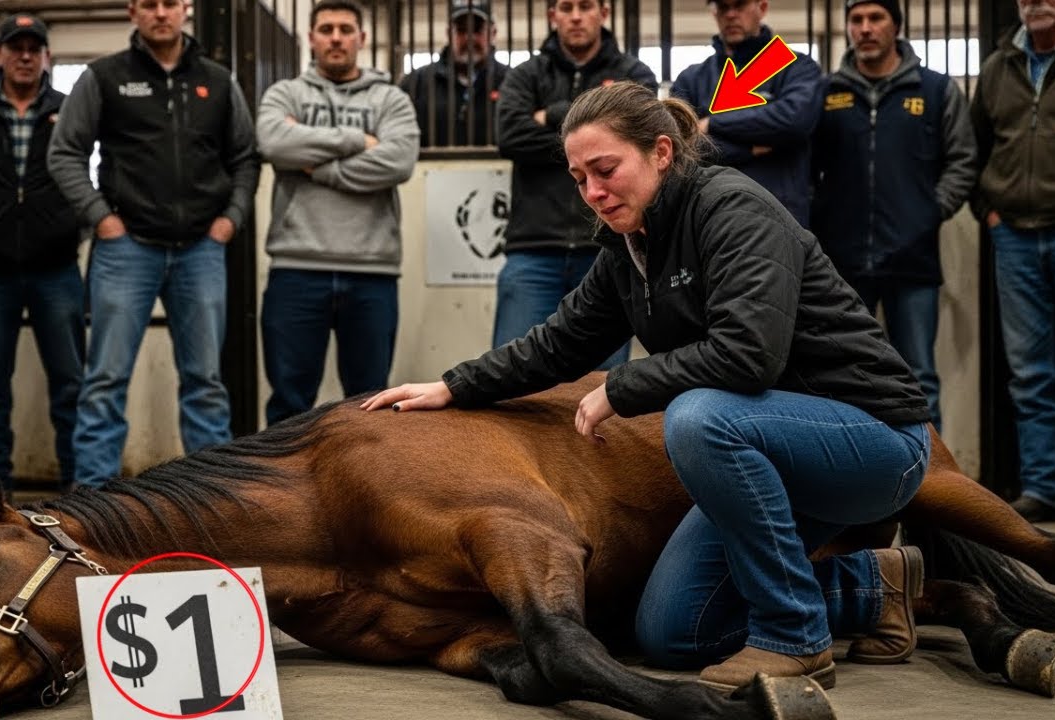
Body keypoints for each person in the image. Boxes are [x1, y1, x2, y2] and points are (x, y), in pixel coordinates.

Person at [362, 81, 931, 690]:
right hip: (775, 459)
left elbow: (748, 355)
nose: (594, 193)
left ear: (661, 152)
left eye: (605, 170)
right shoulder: (629, 250)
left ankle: (794, 636)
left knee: (698, 418)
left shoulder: (732, 208)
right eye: (580, 179)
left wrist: (620, 387)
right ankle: (875, 587)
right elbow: (557, 343)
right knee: (672, 631)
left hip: (875, 441)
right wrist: (453, 385)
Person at [48, 0, 260, 488]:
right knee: (104, 380)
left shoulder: (218, 80)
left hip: (201, 250)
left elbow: (245, 157)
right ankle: (93, 498)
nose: (160, 13)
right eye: (149, 4)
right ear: (132, 12)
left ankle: (212, 496)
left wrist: (231, 219)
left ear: (186, 9)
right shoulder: (103, 77)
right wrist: (101, 218)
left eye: (170, 3)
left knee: (205, 382)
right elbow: (65, 153)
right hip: (127, 249)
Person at [810, 0, 977, 434]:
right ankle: (857, 487)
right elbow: (804, 168)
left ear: (896, 27)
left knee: (918, 376)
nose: (864, 29)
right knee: (843, 379)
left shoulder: (936, 90)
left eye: (875, 18)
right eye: (856, 20)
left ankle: (933, 492)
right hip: (841, 266)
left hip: (913, 261)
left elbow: (963, 161)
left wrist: (928, 213)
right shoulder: (827, 94)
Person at [255, 0, 419, 425]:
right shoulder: (284, 93)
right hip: (296, 267)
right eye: (326, 29)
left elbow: (398, 161)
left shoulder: (391, 98)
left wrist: (318, 167)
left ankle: (364, 491)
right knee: (289, 403)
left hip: (372, 271)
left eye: (346, 29)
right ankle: (286, 493)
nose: (335, 38)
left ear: (361, 39)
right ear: (311, 37)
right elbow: (274, 143)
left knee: (369, 402)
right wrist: (356, 139)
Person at [0, 13, 83, 499]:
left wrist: (76, 221)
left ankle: (80, 488)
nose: (25, 55)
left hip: (57, 267)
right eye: (16, 46)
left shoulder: (69, 108)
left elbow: (90, 167)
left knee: (72, 385)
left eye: (35, 47)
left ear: (47, 56)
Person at [493, 0, 656, 369]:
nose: (576, 16)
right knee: (509, 381)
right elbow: (511, 136)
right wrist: (597, 141)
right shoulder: (524, 74)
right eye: (566, 7)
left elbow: (639, 138)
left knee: (601, 388)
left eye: (586, 6)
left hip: (607, 250)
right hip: (531, 251)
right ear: (553, 16)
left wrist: (548, 115)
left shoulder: (635, 73)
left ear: (605, 12)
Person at [970, 0, 1055, 526]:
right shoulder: (998, 66)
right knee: (1030, 372)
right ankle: (1043, 488)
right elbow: (975, 145)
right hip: (1012, 233)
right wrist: (987, 210)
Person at [671, 0, 822, 226]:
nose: (731, 15)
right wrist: (750, 148)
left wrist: (712, 124)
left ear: (762, 8)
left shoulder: (797, 67)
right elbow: (680, 147)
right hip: (710, 219)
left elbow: (794, 121)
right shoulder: (691, 80)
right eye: (723, 7)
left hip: (781, 220)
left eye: (739, 5)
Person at [399, 0, 509, 146]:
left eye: (477, 30)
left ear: (493, 33)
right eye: (462, 30)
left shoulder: (511, 81)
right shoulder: (416, 83)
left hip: (501, 168)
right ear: (449, 33)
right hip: (429, 168)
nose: (469, 38)